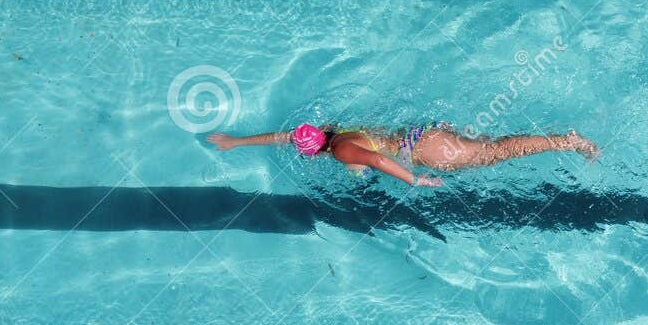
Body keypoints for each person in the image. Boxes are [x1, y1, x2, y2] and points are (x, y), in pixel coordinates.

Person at [207, 120, 597, 188]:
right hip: (418, 135)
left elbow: (378, 161)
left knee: (494, 153)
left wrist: (415, 180)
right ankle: (560, 139)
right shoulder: (333, 132)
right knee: (492, 147)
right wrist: (237, 142)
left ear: (313, 153)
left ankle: (567, 141)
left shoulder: (341, 151)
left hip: (425, 150)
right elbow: (284, 136)